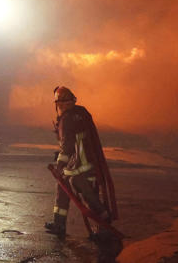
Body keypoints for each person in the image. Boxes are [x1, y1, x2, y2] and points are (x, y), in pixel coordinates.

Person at [45, 85, 117, 239]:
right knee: (64, 185)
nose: (58, 107)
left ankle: (104, 222)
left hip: (80, 166)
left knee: (86, 193)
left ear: (61, 104)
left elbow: (67, 146)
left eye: (58, 104)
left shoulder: (66, 119)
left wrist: (59, 165)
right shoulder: (81, 112)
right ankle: (59, 222)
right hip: (89, 161)